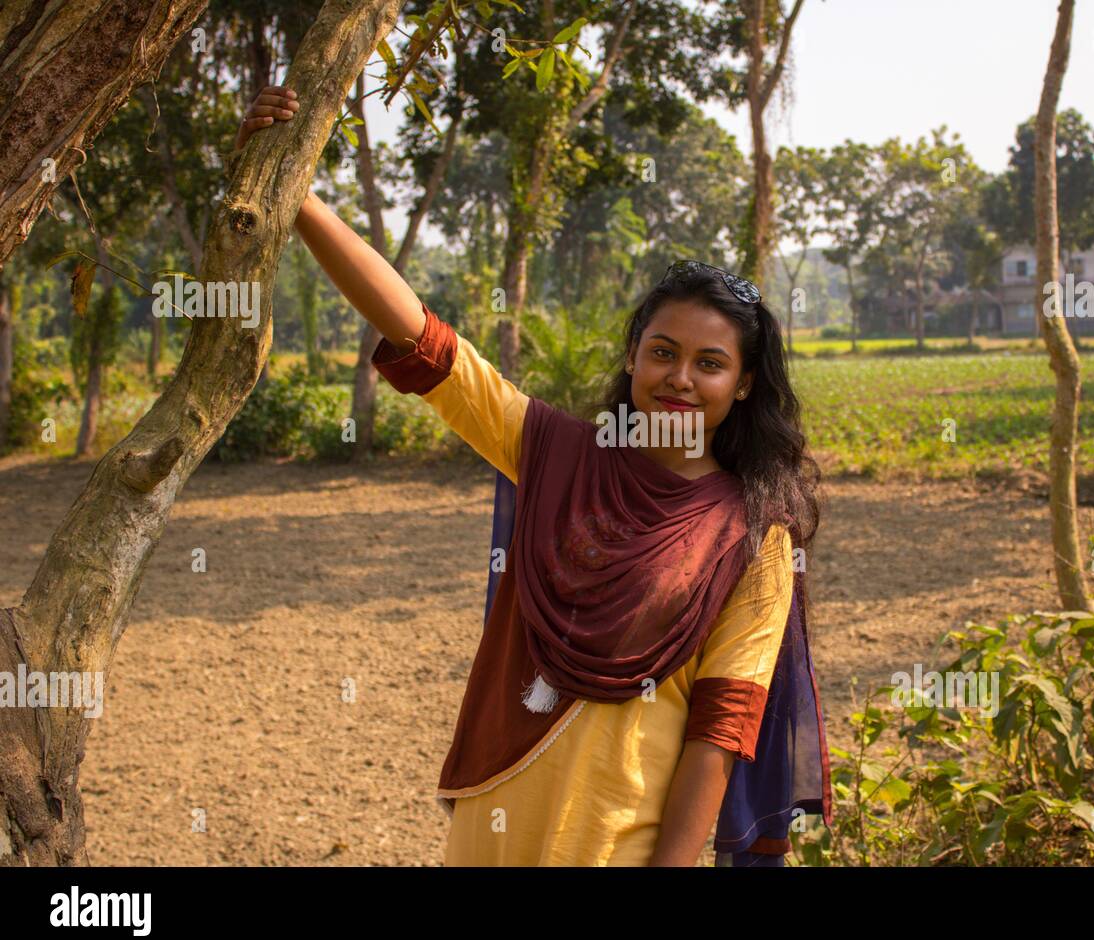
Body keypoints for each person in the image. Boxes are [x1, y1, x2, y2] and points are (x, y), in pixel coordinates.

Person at [236, 86, 830, 866]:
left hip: (621, 842)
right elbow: (419, 333)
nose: (680, 377)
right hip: (494, 820)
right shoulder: (550, 448)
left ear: (744, 384)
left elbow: (720, 734)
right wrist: (297, 195)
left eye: (710, 363)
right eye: (662, 351)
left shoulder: (752, 534)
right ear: (632, 357)